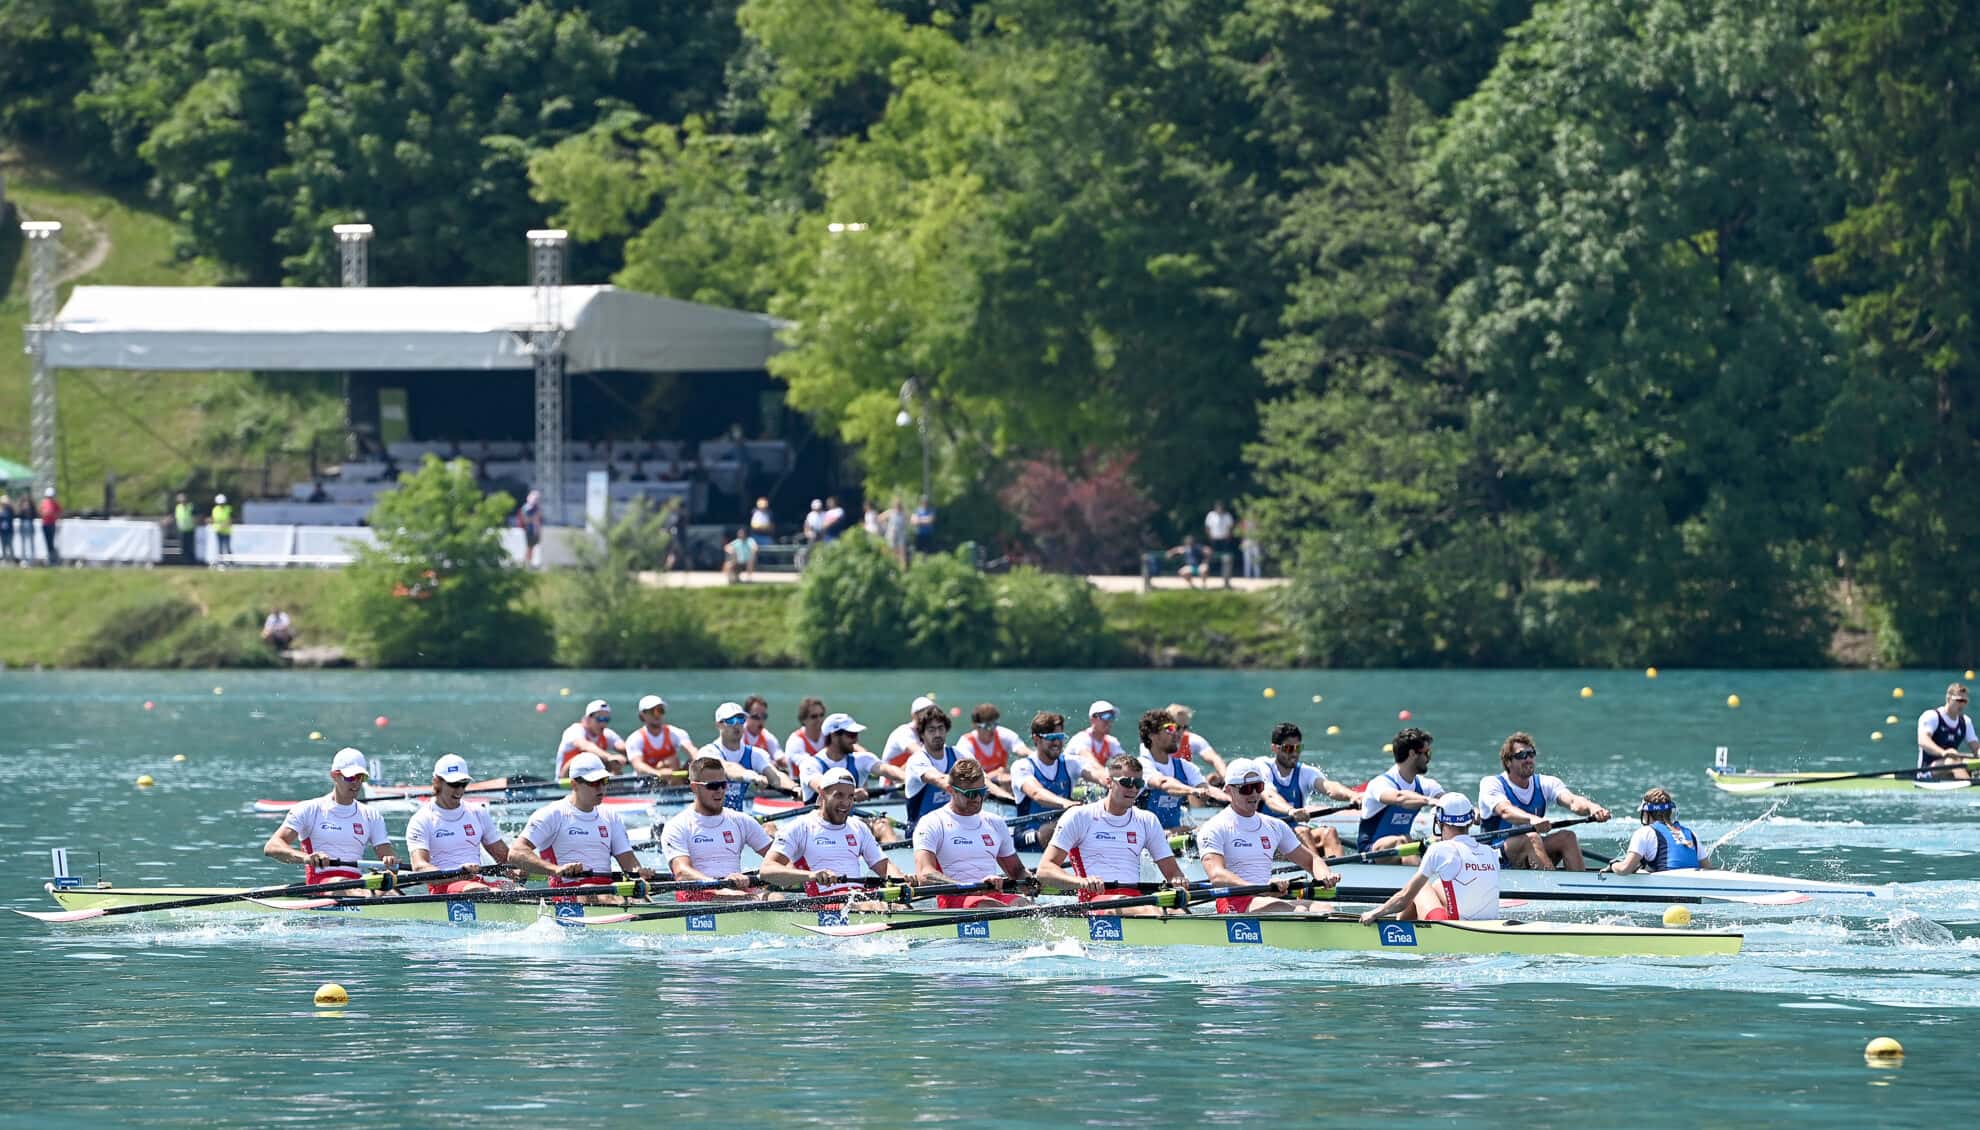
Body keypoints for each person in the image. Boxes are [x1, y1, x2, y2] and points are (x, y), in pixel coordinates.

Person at [1036, 754, 1190, 911]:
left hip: (1133, 901)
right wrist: (1080, 882)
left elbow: (1173, 873)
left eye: (1138, 783)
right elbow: (1045, 870)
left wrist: (1179, 883)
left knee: (1178, 910)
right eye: (1126, 783)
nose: (1133, 789)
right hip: (1096, 902)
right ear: (1109, 782)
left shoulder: (1147, 820)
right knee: (1149, 910)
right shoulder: (1080, 816)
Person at [1197, 759, 1341, 913]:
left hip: (1267, 898)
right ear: (1228, 790)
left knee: (1325, 909)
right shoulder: (1214, 827)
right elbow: (1217, 875)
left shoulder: (1275, 826)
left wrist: (1325, 876)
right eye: (1246, 789)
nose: (1253, 794)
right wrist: (1260, 889)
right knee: (1295, 910)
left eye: (1258, 787)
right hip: (1234, 901)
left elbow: (1311, 860)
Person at [508, 753, 658, 894]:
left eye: (604, 781)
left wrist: (639, 872)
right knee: (592, 890)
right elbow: (516, 853)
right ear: (574, 784)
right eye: (594, 783)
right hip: (568, 895)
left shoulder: (611, 817)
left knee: (642, 896)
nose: (601, 788)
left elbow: (629, 862)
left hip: (606, 892)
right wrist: (555, 870)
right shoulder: (553, 814)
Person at [758, 767, 910, 901]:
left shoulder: (859, 828)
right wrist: (812, 876)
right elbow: (766, 870)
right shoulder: (800, 827)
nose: (846, 803)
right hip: (824, 903)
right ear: (822, 794)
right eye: (839, 795)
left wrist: (901, 883)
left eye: (850, 796)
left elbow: (885, 866)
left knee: (900, 906)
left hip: (859, 898)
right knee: (869, 905)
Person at [261, 748, 399, 887]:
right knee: (351, 888)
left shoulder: (371, 815)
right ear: (334, 775)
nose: (356, 783)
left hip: (356, 883)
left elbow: (391, 865)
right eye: (350, 777)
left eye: (361, 777)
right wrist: (307, 858)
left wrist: (390, 863)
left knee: (393, 893)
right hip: (320, 883)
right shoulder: (309, 809)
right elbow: (271, 847)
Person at [1477, 732, 1612, 870]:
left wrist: (1593, 808)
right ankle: (1552, 887)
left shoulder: (1546, 783)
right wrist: (1532, 819)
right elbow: (1505, 810)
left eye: (1531, 754)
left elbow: (1572, 801)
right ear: (1508, 762)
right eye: (1522, 755)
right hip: (1493, 856)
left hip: (1530, 848)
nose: (1528, 759)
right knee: (1531, 838)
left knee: (1567, 837)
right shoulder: (1492, 783)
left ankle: (1581, 887)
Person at [1358, 795, 1501, 923]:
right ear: (1470, 822)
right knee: (1438, 885)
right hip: (1490, 926)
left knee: (1422, 888)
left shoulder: (1439, 849)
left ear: (1439, 821)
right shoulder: (1491, 852)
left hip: (1453, 931)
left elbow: (1404, 898)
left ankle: (1400, 928)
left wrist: (1375, 913)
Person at [910, 759, 1031, 908]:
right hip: (955, 900)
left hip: (993, 897)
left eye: (982, 792)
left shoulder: (995, 822)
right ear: (951, 790)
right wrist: (971, 887)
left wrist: (1029, 881)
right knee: (990, 906)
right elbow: (925, 875)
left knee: (1025, 905)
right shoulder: (932, 822)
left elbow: (1017, 871)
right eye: (971, 794)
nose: (978, 799)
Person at [659, 756, 776, 902]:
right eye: (712, 786)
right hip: (697, 891)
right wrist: (720, 885)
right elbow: (682, 872)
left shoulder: (740, 820)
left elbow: (779, 858)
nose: (719, 790)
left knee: (776, 897)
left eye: (723, 785)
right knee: (748, 899)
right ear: (694, 787)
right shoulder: (678, 825)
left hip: (737, 890)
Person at [404, 755, 513, 893]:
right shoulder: (421, 819)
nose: (460, 790)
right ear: (437, 782)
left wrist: (519, 867)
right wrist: (458, 873)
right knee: (481, 890)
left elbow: (504, 857)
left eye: (464, 784)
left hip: (478, 883)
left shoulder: (478, 812)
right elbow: (419, 867)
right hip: (444, 887)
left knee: (516, 889)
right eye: (454, 784)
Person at [1258, 722, 1359, 857]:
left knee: (1329, 833)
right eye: (1289, 748)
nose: (1294, 753)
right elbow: (1270, 797)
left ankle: (1338, 875)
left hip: (1293, 834)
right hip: (1264, 837)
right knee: (1302, 832)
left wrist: (1353, 795)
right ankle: (1319, 872)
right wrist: (1291, 811)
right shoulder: (1262, 767)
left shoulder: (1305, 772)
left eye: (1298, 748)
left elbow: (1329, 787)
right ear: (1275, 749)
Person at [901, 709, 1011, 831]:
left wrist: (1011, 800)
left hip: (957, 827)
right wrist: (971, 786)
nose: (937, 734)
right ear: (922, 734)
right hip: (923, 832)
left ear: (946, 730)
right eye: (931, 730)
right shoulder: (917, 760)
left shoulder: (960, 754)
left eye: (941, 728)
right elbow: (940, 780)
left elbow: (985, 782)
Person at [1357, 727, 1445, 858]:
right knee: (1403, 841)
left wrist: (1470, 811)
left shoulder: (1427, 785)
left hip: (1401, 851)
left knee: (1437, 842)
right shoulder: (1380, 784)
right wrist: (1429, 800)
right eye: (1427, 753)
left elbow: (1448, 800)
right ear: (1412, 754)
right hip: (1371, 852)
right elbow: (1400, 798)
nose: (1428, 758)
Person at [1136, 708, 1226, 831]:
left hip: (1171, 834)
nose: (1176, 733)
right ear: (1153, 735)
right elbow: (1164, 783)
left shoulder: (1185, 766)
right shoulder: (1141, 765)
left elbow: (1204, 788)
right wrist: (1192, 790)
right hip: (1141, 837)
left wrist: (1227, 795)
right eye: (1170, 729)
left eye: (1177, 728)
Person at [700, 701, 798, 813]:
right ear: (718, 724)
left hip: (735, 819)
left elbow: (776, 777)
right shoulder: (708, 752)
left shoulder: (755, 754)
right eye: (731, 721)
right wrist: (752, 776)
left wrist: (794, 788)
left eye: (741, 720)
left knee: (770, 827)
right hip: (707, 818)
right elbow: (727, 768)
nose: (737, 725)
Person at [1010, 713, 1082, 843]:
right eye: (1051, 738)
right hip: (1028, 834)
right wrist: (1065, 803)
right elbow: (1036, 793)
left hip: (1061, 829)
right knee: (1056, 829)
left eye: (1059, 737)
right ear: (1036, 739)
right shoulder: (1022, 766)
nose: (1057, 742)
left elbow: (1096, 773)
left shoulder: (1071, 763)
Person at [1605, 788, 1713, 874]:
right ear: (1670, 812)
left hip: (1670, 890)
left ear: (1646, 813)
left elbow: (1624, 869)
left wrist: (1613, 865)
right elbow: (1708, 870)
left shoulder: (1645, 832)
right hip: (1694, 884)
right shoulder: (1690, 833)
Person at [1916, 682, 1978, 781]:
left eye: (1965, 701)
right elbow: (1923, 741)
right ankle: (1972, 787)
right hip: (1927, 771)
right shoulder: (1932, 716)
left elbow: (1976, 748)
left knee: (1974, 763)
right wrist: (1943, 752)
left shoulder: (1965, 721)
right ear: (1948, 698)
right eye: (1959, 700)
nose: (1962, 704)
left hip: (1952, 766)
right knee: (1952, 761)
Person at [626, 694, 694, 782]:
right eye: (652, 711)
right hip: (645, 783)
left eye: (660, 710)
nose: (657, 714)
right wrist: (657, 773)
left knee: (674, 760)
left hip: (671, 778)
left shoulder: (677, 733)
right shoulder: (635, 738)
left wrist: (700, 763)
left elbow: (692, 751)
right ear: (642, 715)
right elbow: (638, 765)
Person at [958, 703, 1027, 787]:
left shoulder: (1003, 734)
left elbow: (1022, 750)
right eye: (987, 726)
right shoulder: (966, 743)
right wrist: (996, 773)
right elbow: (967, 778)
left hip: (1000, 781)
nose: (992, 730)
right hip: (978, 786)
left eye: (995, 725)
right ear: (975, 726)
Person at [556, 699, 627, 779]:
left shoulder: (607, 734)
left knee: (614, 764)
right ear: (588, 718)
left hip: (591, 780)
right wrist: (609, 757)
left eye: (606, 720)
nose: (603, 723)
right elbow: (585, 745)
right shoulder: (575, 730)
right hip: (566, 781)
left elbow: (624, 748)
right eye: (600, 719)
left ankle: (616, 786)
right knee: (587, 757)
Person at [1164, 703, 1230, 781]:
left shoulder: (1192, 740)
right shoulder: (1156, 743)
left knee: (1214, 779)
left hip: (1185, 784)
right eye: (1177, 727)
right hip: (1164, 783)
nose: (1181, 732)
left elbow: (1215, 758)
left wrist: (1227, 779)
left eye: (1185, 727)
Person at [1066, 699, 1125, 784]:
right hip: (1071, 782)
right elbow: (1091, 762)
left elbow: (1126, 762)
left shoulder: (1112, 742)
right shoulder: (1081, 738)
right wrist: (1109, 778)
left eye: (1112, 716)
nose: (1109, 721)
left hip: (1091, 781)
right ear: (1093, 719)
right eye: (1106, 716)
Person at [881, 696, 944, 766]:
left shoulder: (926, 734)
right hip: (892, 776)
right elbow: (920, 754)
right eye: (927, 712)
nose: (931, 715)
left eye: (932, 712)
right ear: (915, 715)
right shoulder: (903, 732)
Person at [784, 696, 832, 767]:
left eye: (821, 715)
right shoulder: (795, 741)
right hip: (798, 778)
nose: (820, 719)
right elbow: (809, 765)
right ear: (803, 719)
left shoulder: (828, 735)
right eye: (814, 716)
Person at [1204, 500, 1236, 578]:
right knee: (1213, 557)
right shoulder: (1211, 515)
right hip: (1214, 539)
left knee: (1225, 558)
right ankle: (1209, 573)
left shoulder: (1227, 516)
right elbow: (1207, 527)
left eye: (1220, 507)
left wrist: (1228, 536)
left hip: (1224, 539)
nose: (1219, 509)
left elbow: (1230, 527)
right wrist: (1210, 536)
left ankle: (1226, 576)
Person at [516, 489, 544, 567]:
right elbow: (526, 520)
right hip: (528, 530)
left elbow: (539, 520)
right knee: (529, 547)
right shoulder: (527, 508)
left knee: (531, 547)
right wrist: (534, 518)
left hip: (533, 531)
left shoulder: (536, 508)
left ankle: (528, 562)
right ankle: (526, 563)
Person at [884, 496, 910, 567]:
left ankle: (902, 569)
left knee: (902, 552)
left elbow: (908, 520)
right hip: (891, 535)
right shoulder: (890, 512)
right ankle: (893, 567)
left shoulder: (903, 513)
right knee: (892, 551)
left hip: (900, 534)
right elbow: (880, 518)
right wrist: (885, 526)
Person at [37, 486, 60, 565]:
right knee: (48, 543)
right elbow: (40, 512)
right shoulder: (44, 502)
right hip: (45, 524)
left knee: (51, 543)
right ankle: (50, 559)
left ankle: (52, 559)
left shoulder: (54, 503)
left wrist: (53, 516)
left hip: (51, 524)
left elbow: (59, 512)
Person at [174, 492, 197, 565]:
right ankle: (184, 561)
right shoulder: (178, 507)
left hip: (190, 529)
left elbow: (195, 516)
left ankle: (191, 561)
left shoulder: (190, 506)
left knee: (190, 546)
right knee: (183, 547)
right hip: (181, 530)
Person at [209, 493, 234, 560]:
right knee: (220, 547)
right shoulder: (215, 509)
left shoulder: (228, 508)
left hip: (227, 531)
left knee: (228, 547)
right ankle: (220, 561)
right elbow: (214, 519)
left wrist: (226, 524)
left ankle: (230, 561)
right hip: (218, 530)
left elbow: (231, 519)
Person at [1239, 513, 1263, 579]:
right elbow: (1241, 532)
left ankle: (1257, 576)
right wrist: (1242, 541)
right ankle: (1247, 576)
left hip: (1255, 540)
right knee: (1247, 560)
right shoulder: (1244, 521)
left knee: (1256, 559)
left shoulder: (1257, 521)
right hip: (1246, 540)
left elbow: (1260, 531)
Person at [0, 491, 15, 562]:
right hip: (2, 531)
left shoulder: (10, 509)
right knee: (3, 545)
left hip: (9, 530)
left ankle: (12, 559)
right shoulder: (1, 510)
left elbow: (12, 516)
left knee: (10, 545)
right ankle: (5, 559)